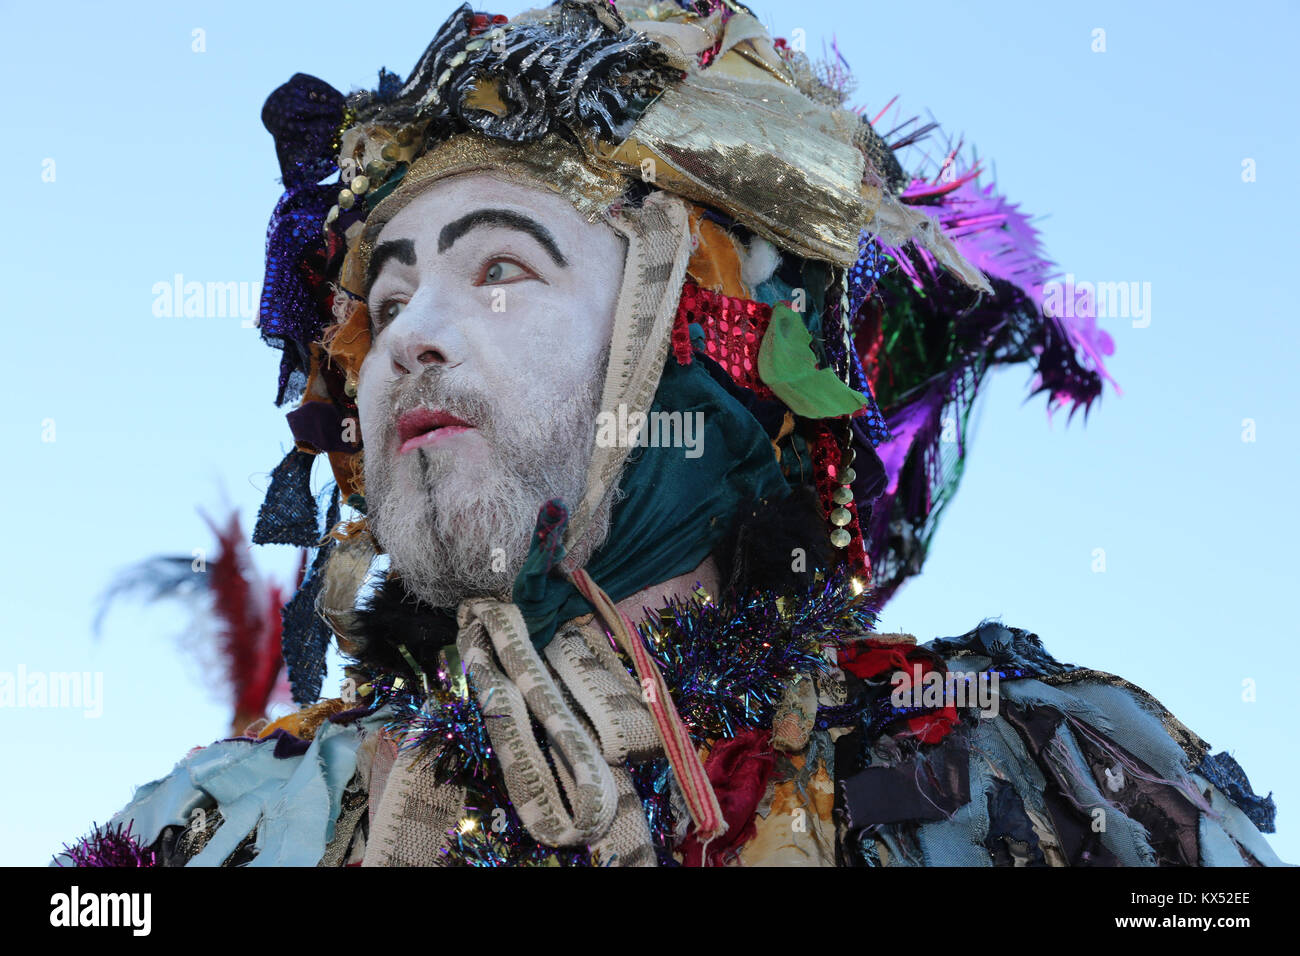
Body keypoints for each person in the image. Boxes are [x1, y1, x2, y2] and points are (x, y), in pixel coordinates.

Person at [58, 0, 1283, 867]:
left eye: (499, 268)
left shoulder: (1036, 766)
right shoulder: (215, 827)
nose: (408, 339)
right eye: (381, 303)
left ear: (697, 347)